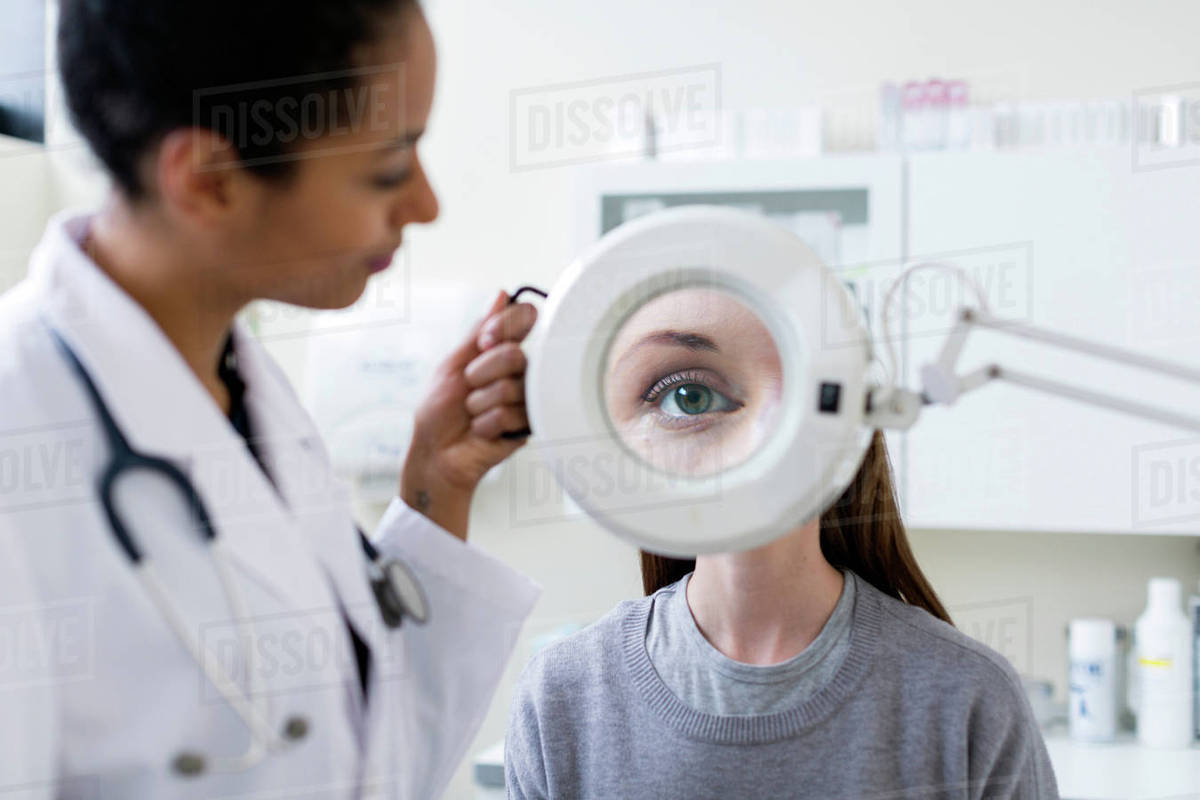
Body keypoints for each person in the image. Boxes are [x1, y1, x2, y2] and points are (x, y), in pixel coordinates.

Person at [0, 1, 541, 798]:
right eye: (389, 168)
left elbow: (365, 759)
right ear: (209, 181)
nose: (426, 205)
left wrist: (440, 481)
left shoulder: (244, 390)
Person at [505, 424, 1060, 798]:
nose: (743, 438)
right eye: (690, 395)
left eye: (784, 389)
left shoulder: (968, 697)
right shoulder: (562, 695)